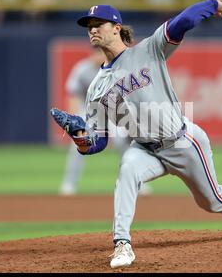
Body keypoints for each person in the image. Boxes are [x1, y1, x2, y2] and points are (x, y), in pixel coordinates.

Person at [50, 0, 222, 269]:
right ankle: (122, 244)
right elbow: (99, 141)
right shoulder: (95, 89)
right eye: (88, 26)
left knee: (211, 201)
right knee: (127, 170)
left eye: (98, 24)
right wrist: (80, 138)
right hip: (144, 149)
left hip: (183, 142)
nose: (92, 29)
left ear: (116, 28)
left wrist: (214, 4)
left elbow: (183, 22)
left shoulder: (148, 50)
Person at [59, 49, 153, 196]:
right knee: (78, 144)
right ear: (92, 54)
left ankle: (139, 182)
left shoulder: (117, 69)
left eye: (102, 53)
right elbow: (73, 94)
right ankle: (69, 184)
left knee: (123, 144)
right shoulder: (82, 69)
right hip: (90, 110)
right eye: (97, 53)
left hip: (113, 109)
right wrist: (74, 119)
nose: (100, 56)